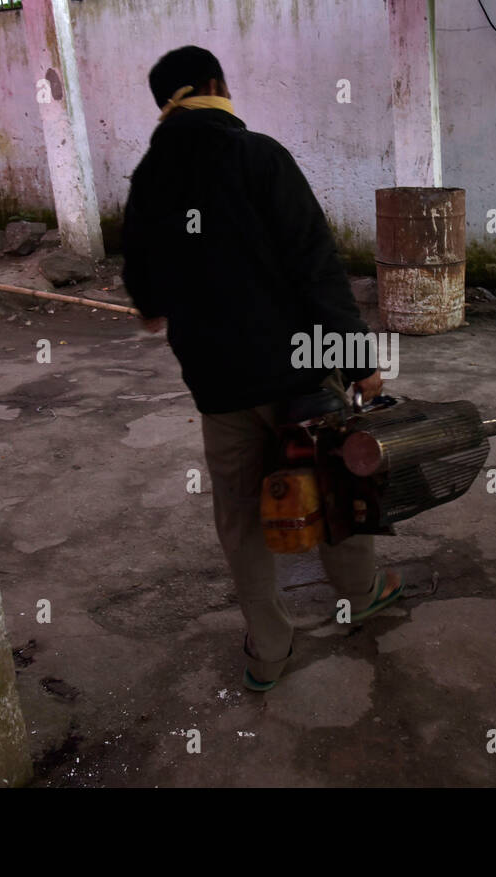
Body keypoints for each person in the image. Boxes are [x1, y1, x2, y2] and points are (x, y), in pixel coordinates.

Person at [120, 46, 403, 691]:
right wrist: (358, 361)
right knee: (334, 479)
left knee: (240, 513)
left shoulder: (149, 177)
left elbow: (146, 291)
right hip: (298, 373)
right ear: (216, 85)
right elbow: (315, 267)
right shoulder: (260, 157)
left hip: (219, 385)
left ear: (165, 103)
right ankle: (361, 592)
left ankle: (268, 648)